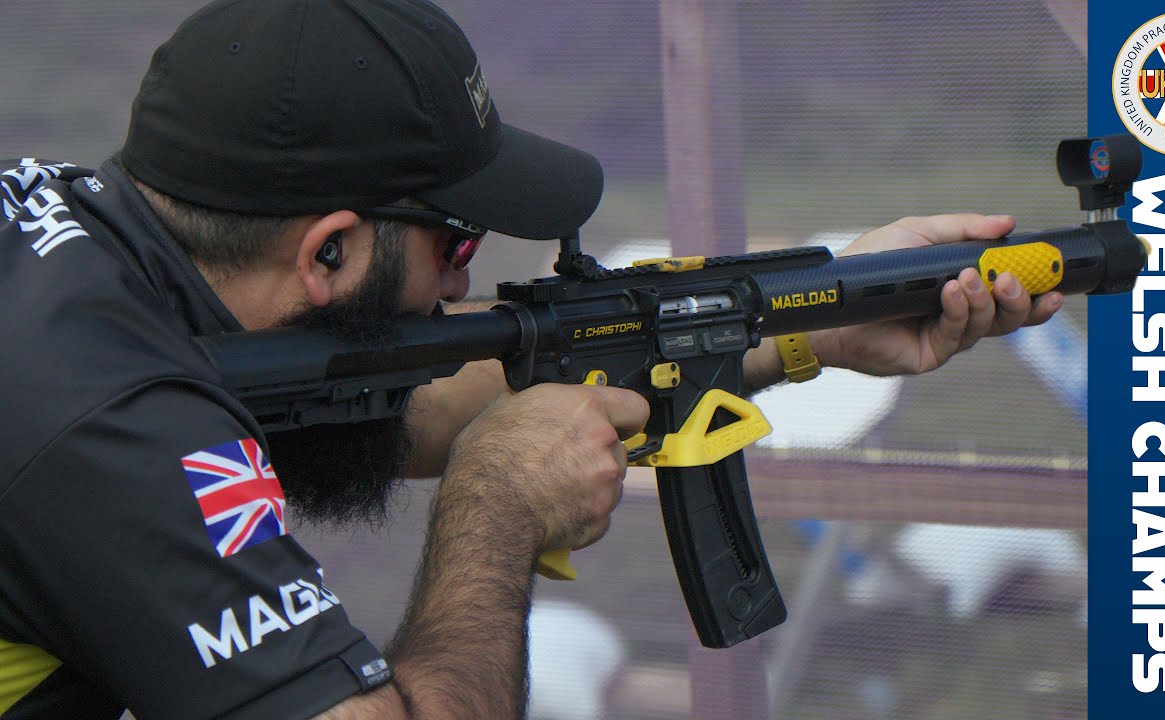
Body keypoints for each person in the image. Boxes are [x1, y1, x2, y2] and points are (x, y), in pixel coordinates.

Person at [0, 0, 1063, 718]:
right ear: (326, 250)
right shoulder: (109, 421)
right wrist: (497, 510)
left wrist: (804, 323)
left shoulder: (96, 256)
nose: (464, 286)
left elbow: (385, 392)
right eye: (454, 245)